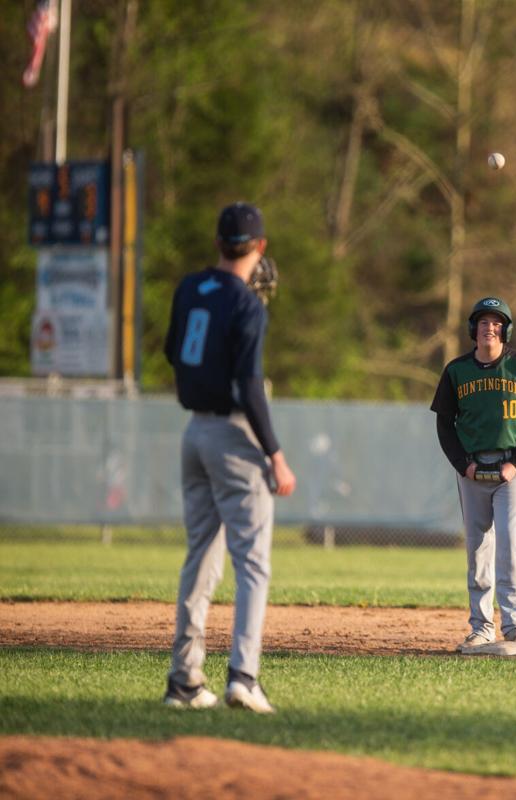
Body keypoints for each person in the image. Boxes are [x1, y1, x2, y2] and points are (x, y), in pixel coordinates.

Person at [162, 202, 297, 713]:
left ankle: (184, 680)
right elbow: (250, 386)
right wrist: (276, 454)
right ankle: (243, 676)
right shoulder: (247, 304)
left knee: (200, 556)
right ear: (259, 246)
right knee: (253, 563)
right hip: (234, 436)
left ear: (218, 243)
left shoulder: (189, 287)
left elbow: (173, 353)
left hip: (194, 433)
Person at [431, 297, 516, 650]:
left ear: (506, 330)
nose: (490, 328)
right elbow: (444, 425)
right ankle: (481, 626)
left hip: (512, 468)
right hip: (472, 467)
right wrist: (462, 464)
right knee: (478, 545)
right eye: (483, 322)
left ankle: (514, 623)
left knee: (509, 541)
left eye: (497, 323)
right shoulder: (456, 370)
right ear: (473, 328)